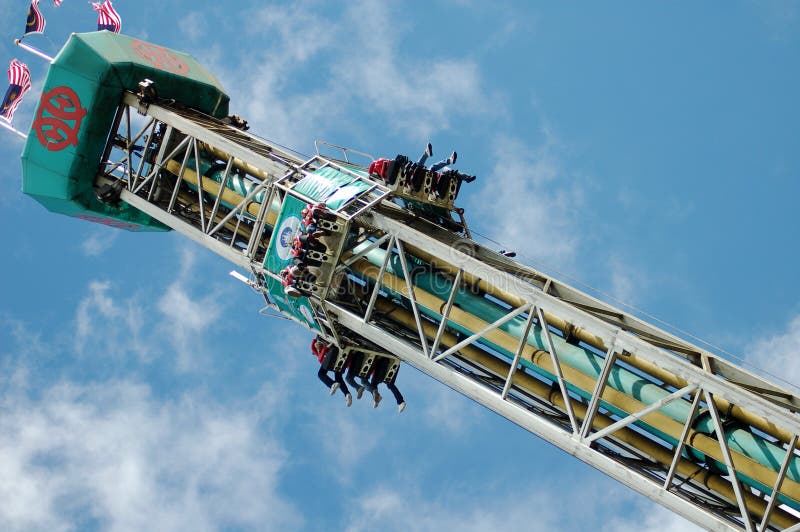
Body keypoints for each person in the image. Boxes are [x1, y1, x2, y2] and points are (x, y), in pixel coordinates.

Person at [312, 336, 352, 407]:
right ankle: (347, 394)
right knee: (338, 377)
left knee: (321, 374)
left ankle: (333, 385)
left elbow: (313, 346)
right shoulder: (319, 353)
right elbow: (313, 348)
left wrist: (316, 338)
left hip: (333, 357)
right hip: (335, 362)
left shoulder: (324, 348)